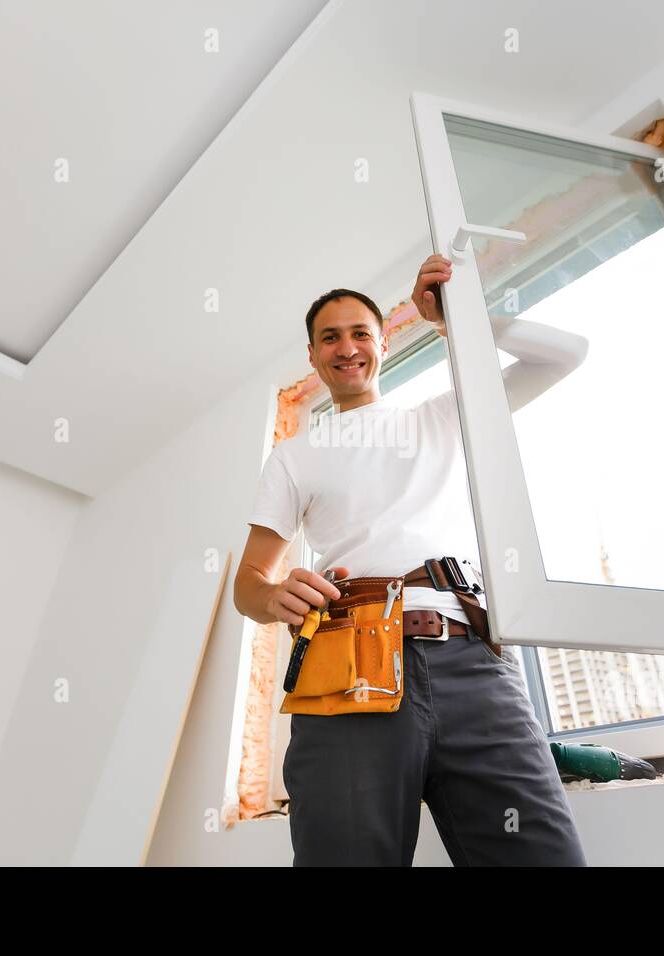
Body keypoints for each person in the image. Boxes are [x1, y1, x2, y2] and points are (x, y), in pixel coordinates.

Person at [233, 254, 589, 866]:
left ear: (384, 342)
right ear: (314, 357)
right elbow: (249, 584)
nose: (346, 347)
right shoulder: (293, 457)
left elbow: (564, 354)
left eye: (359, 332)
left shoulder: (444, 418)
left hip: (474, 661)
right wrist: (272, 598)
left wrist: (459, 321)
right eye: (329, 338)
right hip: (346, 670)